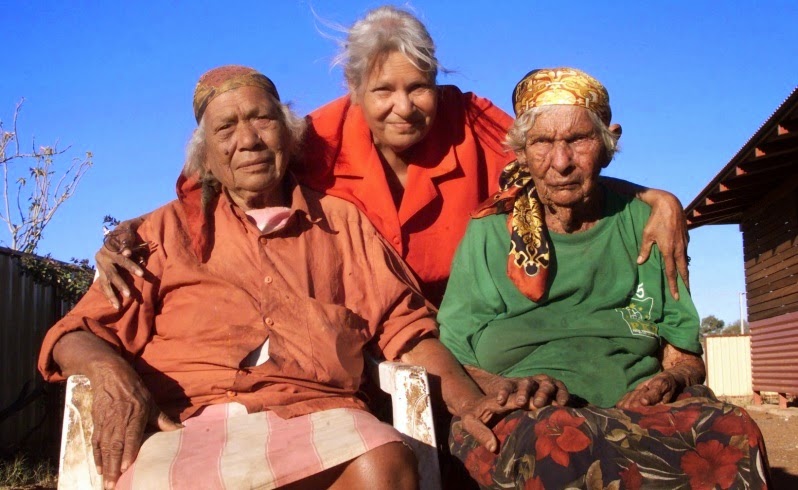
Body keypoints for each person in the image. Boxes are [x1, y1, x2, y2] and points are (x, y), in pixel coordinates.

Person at [38, 66, 543, 490]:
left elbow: (404, 328)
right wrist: (109, 372)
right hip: (188, 421)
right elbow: (76, 332)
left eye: (262, 119)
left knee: (385, 465)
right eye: (226, 128)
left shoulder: (341, 223)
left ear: (289, 132)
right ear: (205, 156)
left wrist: (467, 398)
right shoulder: (161, 233)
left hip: (320, 413)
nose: (248, 140)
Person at [94, 6, 689, 310]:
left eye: (418, 87)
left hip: (462, 328)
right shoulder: (315, 136)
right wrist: (131, 234)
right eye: (383, 90)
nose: (403, 108)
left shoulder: (471, 118)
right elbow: (215, 177)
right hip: (357, 328)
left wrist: (653, 197)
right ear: (355, 90)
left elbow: (559, 158)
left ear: (438, 83)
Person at [438, 67, 770, 489]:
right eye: (542, 142)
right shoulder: (489, 231)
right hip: (528, 407)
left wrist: (670, 379)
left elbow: (684, 355)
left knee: (732, 429)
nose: (561, 162)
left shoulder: (647, 224)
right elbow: (454, 351)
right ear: (521, 153)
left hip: (637, 402)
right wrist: (505, 388)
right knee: (558, 447)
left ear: (608, 144)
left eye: (578, 140)